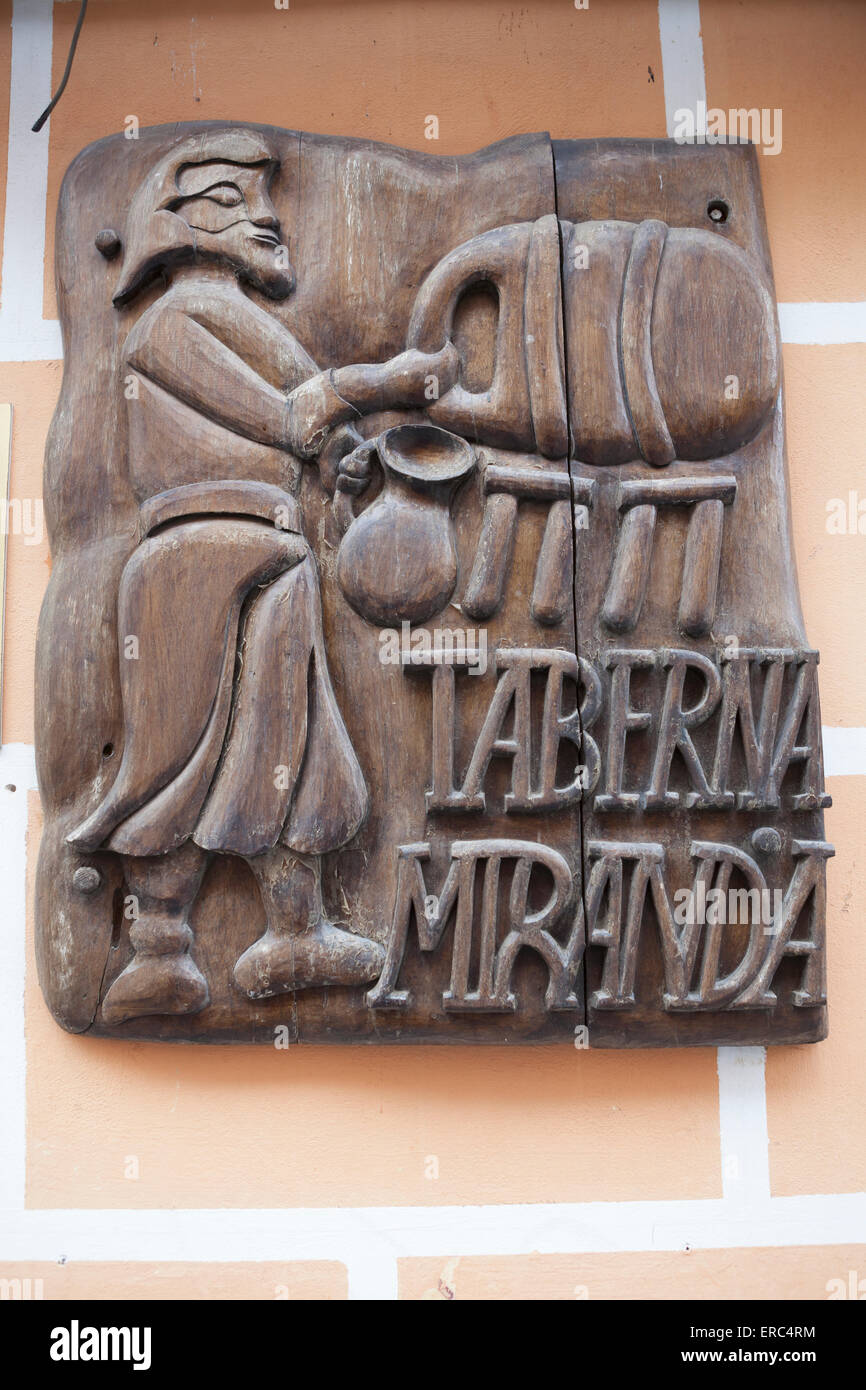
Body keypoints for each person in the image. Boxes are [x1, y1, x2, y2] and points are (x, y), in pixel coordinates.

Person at [70, 127, 457, 1023]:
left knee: (292, 747)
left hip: (277, 550)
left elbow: (309, 432)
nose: (269, 220)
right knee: (179, 753)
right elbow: (289, 416)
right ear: (177, 224)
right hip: (187, 561)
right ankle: (159, 947)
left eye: (266, 200)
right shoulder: (167, 324)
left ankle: (295, 929)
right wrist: (391, 378)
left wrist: (346, 463)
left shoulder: (256, 323)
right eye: (232, 202)